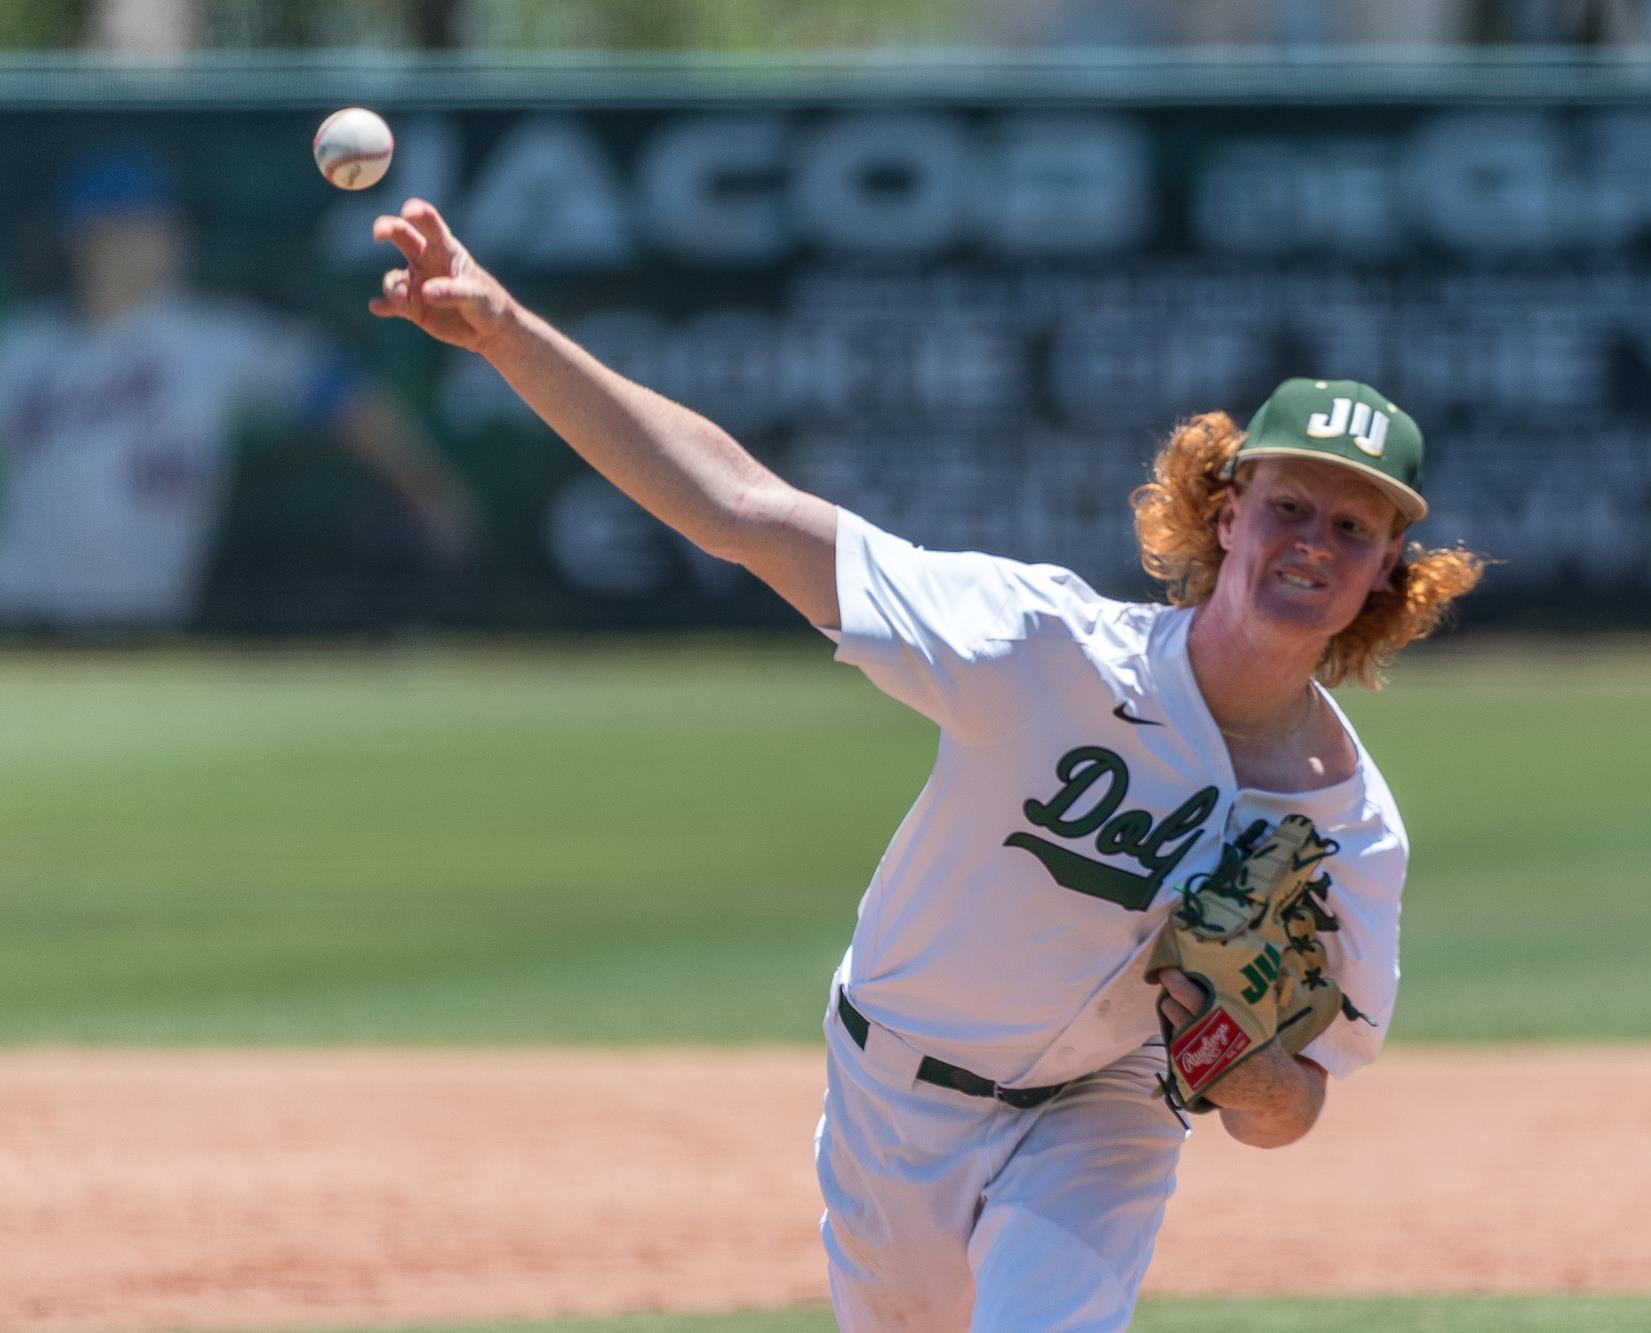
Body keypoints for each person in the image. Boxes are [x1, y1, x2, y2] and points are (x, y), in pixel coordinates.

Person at [368, 197, 1483, 1331]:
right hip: (890, 1088)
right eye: (1290, 505)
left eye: (1354, 528)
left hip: (1106, 1113)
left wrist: (1240, 1058)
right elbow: (744, 511)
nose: (1313, 542)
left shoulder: (1352, 825)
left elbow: (1290, 1109)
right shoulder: (1040, 647)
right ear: (1229, 511)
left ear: (1389, 567)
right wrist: (506, 330)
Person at [0, 145, 478, 631]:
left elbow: (337, 389)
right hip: (21, 616)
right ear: (91, 234)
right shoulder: (25, 350)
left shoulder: (207, 339)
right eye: (146, 223)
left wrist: (430, 492)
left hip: (142, 625)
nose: (168, 238)